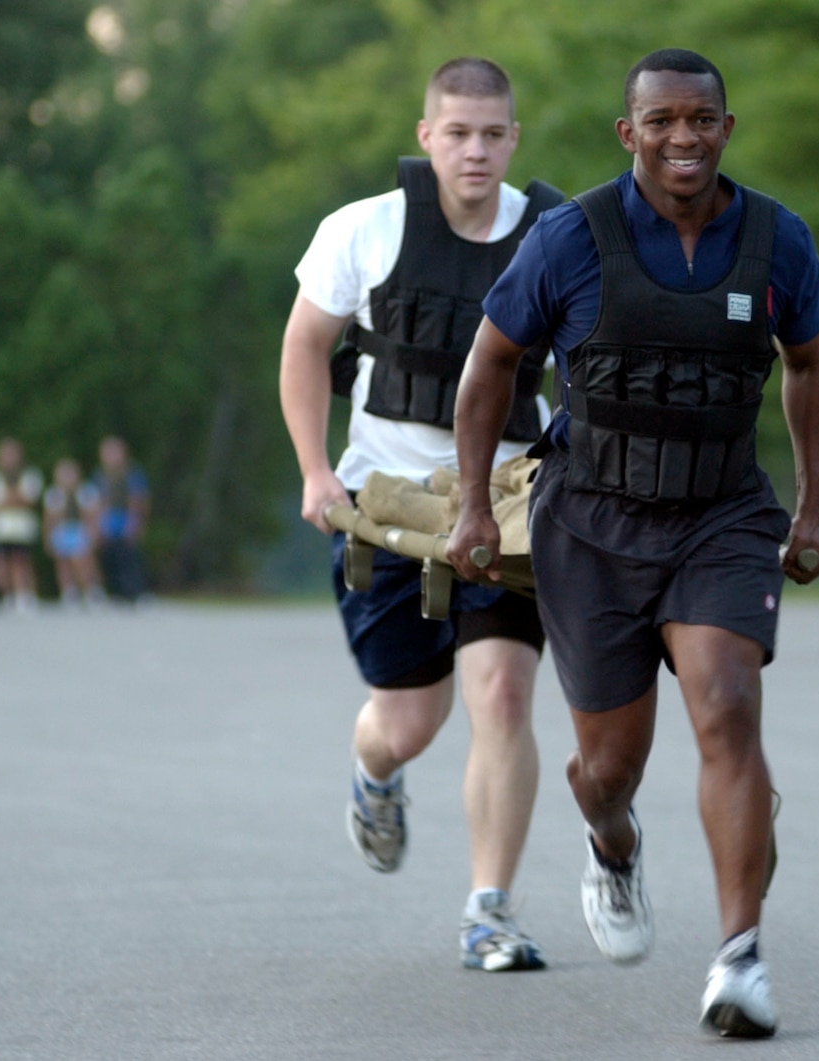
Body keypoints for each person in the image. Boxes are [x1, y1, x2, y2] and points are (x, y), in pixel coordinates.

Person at [447, 49, 819, 1036]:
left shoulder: (777, 241)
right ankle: (612, 845)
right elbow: (491, 365)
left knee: (729, 707)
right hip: (591, 522)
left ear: (726, 127)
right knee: (607, 769)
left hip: (721, 513)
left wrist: (811, 507)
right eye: (661, 120)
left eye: (702, 119)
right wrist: (472, 508)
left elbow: (810, 371)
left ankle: (739, 959)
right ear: (629, 133)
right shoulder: (569, 238)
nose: (683, 138)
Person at [279, 57, 563, 972]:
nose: (475, 150)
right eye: (458, 132)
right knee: (407, 722)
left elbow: (591, 367)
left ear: (514, 138)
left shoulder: (555, 236)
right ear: (426, 136)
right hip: (388, 507)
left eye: (492, 133)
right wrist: (316, 470)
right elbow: (303, 348)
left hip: (509, 502)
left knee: (504, 694)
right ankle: (375, 775)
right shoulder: (362, 229)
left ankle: (491, 909)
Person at [0, 437, 44, 611]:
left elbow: (29, 500)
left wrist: (7, 499)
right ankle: (8, 595)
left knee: (22, 560)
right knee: (3, 562)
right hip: (1, 528)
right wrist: (15, 497)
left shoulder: (30, 474)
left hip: (23, 527)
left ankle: (25, 594)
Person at [93, 436, 150, 602]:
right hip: (107, 519)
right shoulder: (100, 476)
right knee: (110, 556)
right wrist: (98, 524)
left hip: (126, 517)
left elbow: (139, 499)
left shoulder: (133, 474)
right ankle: (117, 593)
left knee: (130, 557)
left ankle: (137, 592)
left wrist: (136, 521)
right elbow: (96, 502)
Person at [43, 457, 105, 607]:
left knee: (84, 561)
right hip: (62, 530)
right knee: (63, 563)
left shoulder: (86, 491)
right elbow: (49, 518)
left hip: (80, 529)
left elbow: (93, 515)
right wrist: (48, 536)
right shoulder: (54, 494)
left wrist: (94, 533)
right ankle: (69, 591)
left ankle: (92, 590)